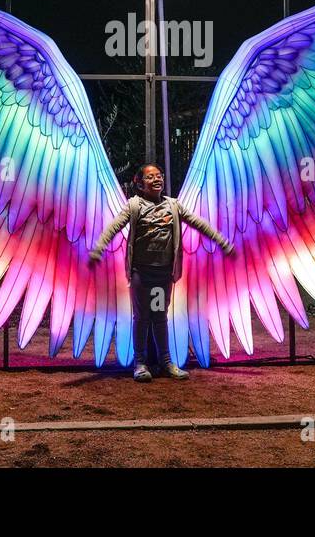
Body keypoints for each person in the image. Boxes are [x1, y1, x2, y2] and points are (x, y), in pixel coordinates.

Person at [89, 164, 235, 382]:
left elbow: (198, 223)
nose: (156, 179)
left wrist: (222, 242)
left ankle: (166, 362)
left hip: (162, 276)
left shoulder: (173, 206)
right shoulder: (134, 206)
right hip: (141, 274)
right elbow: (113, 227)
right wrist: (99, 249)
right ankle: (140, 363)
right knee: (141, 318)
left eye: (159, 176)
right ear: (140, 184)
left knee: (159, 317)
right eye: (150, 177)